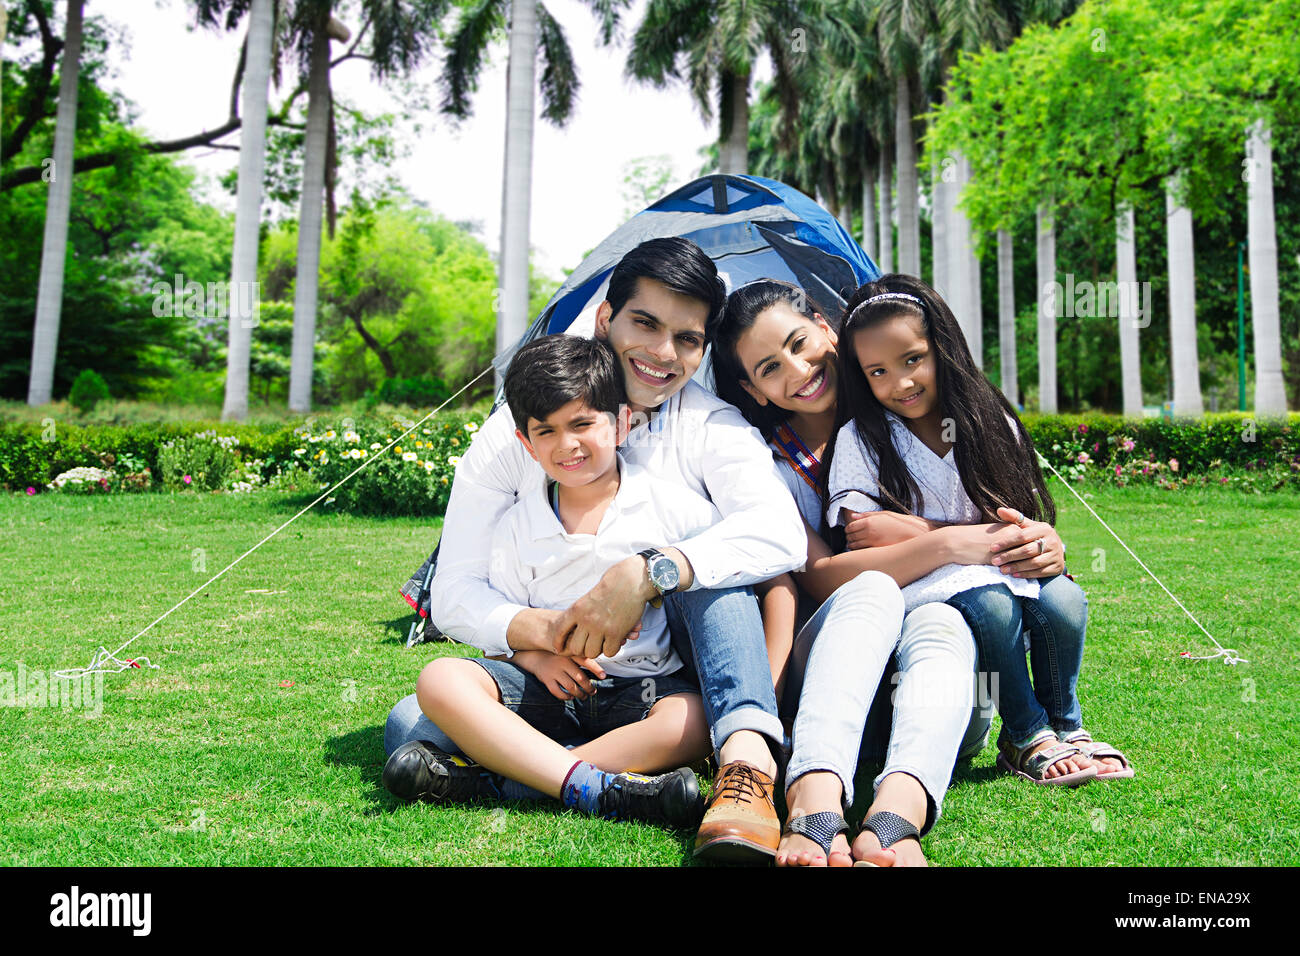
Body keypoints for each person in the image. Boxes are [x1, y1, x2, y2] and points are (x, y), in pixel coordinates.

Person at [384, 238, 808, 862]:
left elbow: (779, 534)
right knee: (411, 723)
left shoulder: (710, 425)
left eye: (687, 338)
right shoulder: (515, 432)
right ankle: (587, 781)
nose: (663, 354)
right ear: (606, 318)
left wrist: (648, 572)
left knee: (710, 564)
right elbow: (455, 589)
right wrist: (542, 634)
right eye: (646, 323)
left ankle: (739, 765)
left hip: (662, 673)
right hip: (552, 673)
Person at [711, 278, 1084, 866]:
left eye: (800, 343)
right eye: (769, 368)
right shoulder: (769, 462)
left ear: (827, 330)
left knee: (943, 616)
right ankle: (815, 797)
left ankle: (897, 815)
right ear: (752, 390)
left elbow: (999, 522)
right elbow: (821, 575)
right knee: (874, 590)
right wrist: (947, 543)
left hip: (943, 693)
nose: (798, 369)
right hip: (833, 677)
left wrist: (1037, 542)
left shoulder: (928, 414)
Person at [384, 335, 714, 826]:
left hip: (644, 690)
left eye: (582, 424)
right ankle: (598, 786)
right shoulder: (517, 529)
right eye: (547, 431)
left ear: (622, 423)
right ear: (526, 444)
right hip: (546, 690)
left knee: (695, 720)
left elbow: (731, 561)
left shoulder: (674, 509)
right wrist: (535, 657)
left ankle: (511, 778)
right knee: (440, 680)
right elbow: (498, 640)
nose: (567, 445)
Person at [827, 274, 1134, 789]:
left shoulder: (989, 422)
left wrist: (925, 528)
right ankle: (1025, 733)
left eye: (913, 359)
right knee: (991, 603)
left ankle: (1068, 725)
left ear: (942, 349)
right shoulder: (863, 437)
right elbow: (865, 533)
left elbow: (1012, 522)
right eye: (878, 371)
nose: (900, 382)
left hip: (995, 563)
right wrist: (965, 538)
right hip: (923, 584)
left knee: (1065, 600)